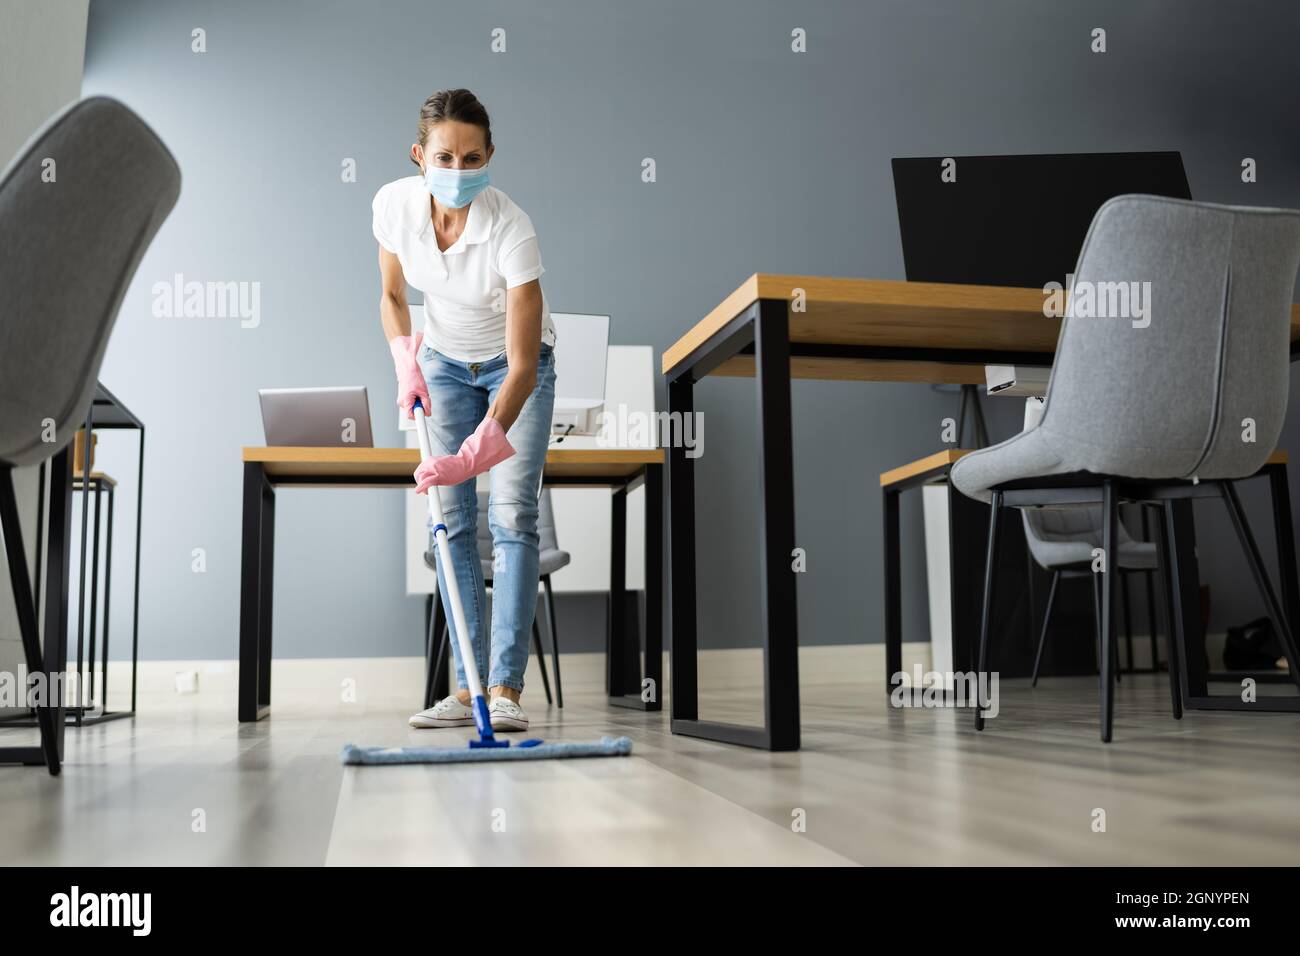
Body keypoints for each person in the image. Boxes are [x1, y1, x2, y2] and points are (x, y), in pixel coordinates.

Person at [373, 89, 557, 732]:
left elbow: (526, 364)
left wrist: (482, 446)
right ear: (419, 155)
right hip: (445, 363)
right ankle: (467, 687)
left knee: (510, 516)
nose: (457, 169)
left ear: (489, 157)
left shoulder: (512, 227)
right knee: (447, 521)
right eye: (444, 156)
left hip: (513, 369)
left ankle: (503, 689)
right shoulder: (395, 205)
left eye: (471, 157)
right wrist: (405, 359)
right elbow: (392, 294)